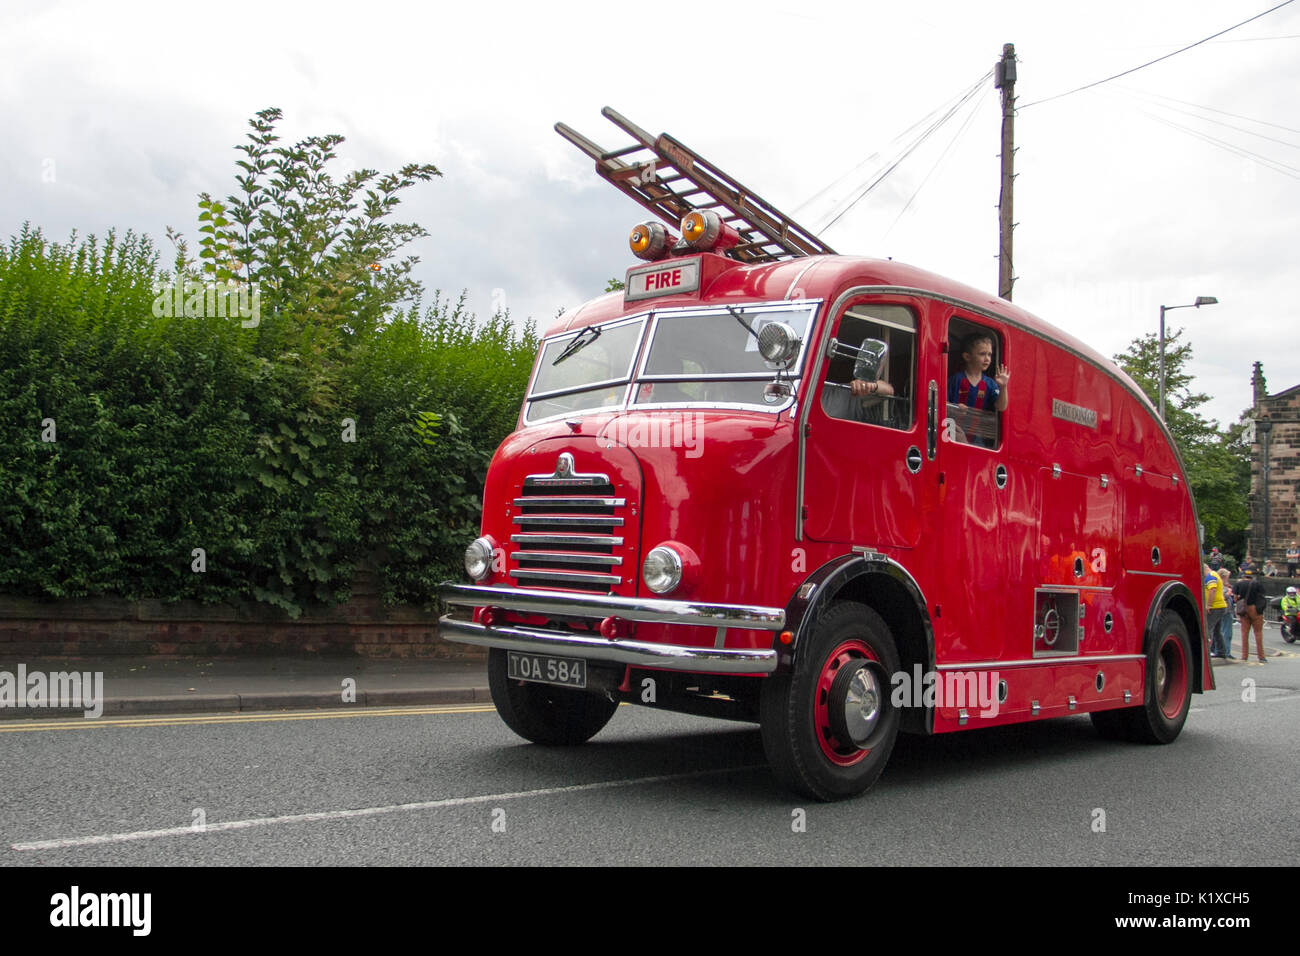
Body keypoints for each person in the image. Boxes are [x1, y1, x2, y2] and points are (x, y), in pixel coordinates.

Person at [948, 332, 1009, 447]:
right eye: (982, 354)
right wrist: (955, 408)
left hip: (978, 438)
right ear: (967, 356)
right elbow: (942, 403)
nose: (987, 359)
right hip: (954, 430)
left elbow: (1001, 406)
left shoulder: (990, 384)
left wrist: (1003, 386)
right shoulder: (956, 379)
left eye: (989, 354)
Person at [1233, 575, 1268, 664]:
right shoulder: (1257, 584)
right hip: (1256, 609)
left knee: (1244, 633)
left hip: (1244, 610)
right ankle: (1261, 656)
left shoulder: (1238, 584)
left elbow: (1235, 598)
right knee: (1258, 633)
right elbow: (1262, 596)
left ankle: (1244, 656)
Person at [1204, 564, 1228, 658]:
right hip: (1220, 606)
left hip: (1215, 607)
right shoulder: (1215, 574)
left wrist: (1208, 605)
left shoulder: (1211, 576)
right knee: (1218, 631)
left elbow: (1212, 590)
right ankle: (1222, 652)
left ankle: (1207, 651)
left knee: (1208, 629)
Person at [1218, 569, 1235, 658]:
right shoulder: (1220, 585)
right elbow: (1222, 596)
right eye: (1227, 577)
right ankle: (1226, 652)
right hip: (1225, 611)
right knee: (1226, 632)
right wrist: (1229, 592)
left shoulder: (1222, 585)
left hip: (1224, 611)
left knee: (1221, 631)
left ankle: (1223, 651)